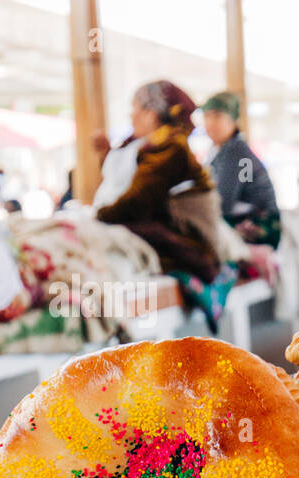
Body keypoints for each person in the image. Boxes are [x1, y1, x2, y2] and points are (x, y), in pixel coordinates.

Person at [94, 80, 232, 330]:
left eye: (136, 107)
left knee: (109, 236)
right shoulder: (151, 144)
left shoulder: (170, 147)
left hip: (193, 243)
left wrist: (94, 219)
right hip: (182, 235)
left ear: (152, 113)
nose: (131, 115)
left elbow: (135, 202)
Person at [201, 91, 281, 248]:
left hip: (261, 226)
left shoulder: (237, 153)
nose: (210, 123)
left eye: (217, 116)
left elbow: (223, 202)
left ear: (232, 120)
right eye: (206, 117)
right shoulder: (220, 152)